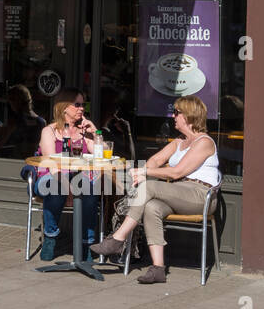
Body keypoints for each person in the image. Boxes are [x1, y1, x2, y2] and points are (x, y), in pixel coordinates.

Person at [90, 96, 221, 284]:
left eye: (177, 112)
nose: (173, 116)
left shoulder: (204, 142)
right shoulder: (179, 142)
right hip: (178, 193)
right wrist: (148, 170)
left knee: (149, 186)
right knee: (151, 207)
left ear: (189, 116)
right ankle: (158, 268)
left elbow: (177, 172)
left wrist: (146, 172)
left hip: (201, 195)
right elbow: (154, 161)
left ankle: (118, 238)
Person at [23, 89, 101, 261]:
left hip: (77, 180)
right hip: (50, 179)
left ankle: (86, 244)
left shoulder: (84, 132)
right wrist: (69, 188)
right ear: (64, 107)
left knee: (90, 189)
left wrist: (95, 132)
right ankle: (50, 237)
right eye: (78, 104)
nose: (82, 109)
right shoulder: (49, 131)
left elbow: (101, 156)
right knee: (56, 185)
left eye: (84, 105)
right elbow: (52, 165)